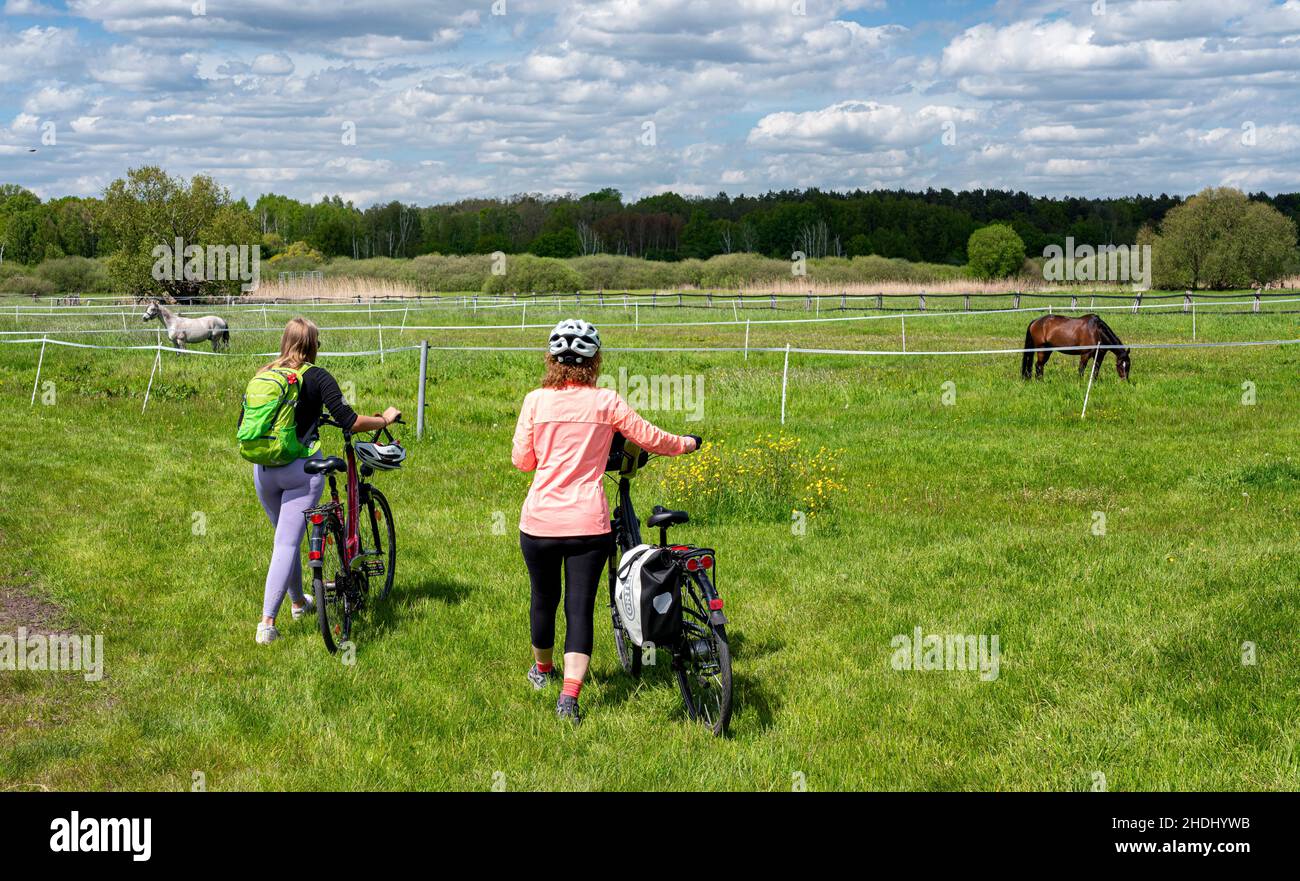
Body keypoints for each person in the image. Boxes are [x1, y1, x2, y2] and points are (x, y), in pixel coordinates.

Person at [512, 319, 700, 724]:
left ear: (552, 360)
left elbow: (522, 461)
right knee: (579, 608)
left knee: (543, 599)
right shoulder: (607, 402)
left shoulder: (535, 401)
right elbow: (650, 438)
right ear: (594, 361)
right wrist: (687, 444)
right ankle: (570, 698)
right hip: (587, 525)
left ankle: (542, 672)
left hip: (540, 522)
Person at [249, 317, 401, 645]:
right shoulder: (317, 376)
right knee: (287, 544)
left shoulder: (265, 373)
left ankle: (298, 603)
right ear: (313, 345)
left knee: (282, 542)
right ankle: (266, 624)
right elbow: (350, 420)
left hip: (263, 469)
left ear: (285, 341)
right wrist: (384, 418)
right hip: (300, 471)